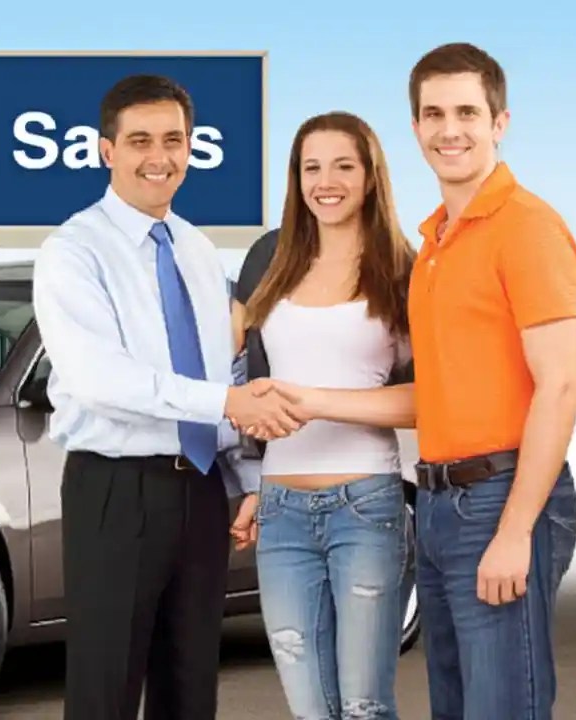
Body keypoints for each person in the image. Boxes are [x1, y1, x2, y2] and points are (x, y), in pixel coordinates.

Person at [31, 73, 302, 720]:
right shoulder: (74, 252)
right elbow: (100, 379)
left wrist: (245, 476)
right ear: (107, 150)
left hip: (200, 493)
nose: (160, 157)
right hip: (116, 491)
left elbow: (220, 370)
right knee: (106, 690)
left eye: (174, 140)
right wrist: (228, 406)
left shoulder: (197, 250)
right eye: (141, 141)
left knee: (190, 689)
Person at [401, 43, 576, 719]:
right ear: (415, 127)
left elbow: (560, 386)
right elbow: (440, 391)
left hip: (501, 498)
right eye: (434, 114)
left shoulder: (527, 227)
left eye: (467, 113)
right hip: (437, 504)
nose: (450, 130)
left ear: (500, 122)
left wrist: (514, 530)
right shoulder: (434, 244)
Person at [226, 111, 418, 720]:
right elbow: (230, 375)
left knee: (364, 705)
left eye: (343, 166)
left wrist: (314, 402)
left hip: (366, 506)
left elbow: (426, 401)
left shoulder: (403, 268)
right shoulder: (268, 256)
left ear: (370, 176)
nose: (325, 182)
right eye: (312, 167)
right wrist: (250, 478)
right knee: (311, 710)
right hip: (281, 510)